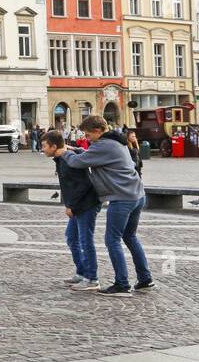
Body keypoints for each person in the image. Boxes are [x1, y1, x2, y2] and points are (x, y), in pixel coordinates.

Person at [55, 116, 154, 296]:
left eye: (88, 134)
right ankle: (145, 279)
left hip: (122, 198)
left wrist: (65, 153)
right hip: (137, 194)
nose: (86, 138)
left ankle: (122, 284)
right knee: (130, 236)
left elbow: (78, 161)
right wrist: (74, 148)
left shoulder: (103, 145)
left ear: (98, 131)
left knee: (112, 240)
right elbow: (90, 154)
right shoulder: (117, 141)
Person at [42, 130, 101, 291]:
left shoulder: (68, 161)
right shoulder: (64, 157)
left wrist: (71, 206)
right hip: (80, 204)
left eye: (45, 146)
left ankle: (91, 278)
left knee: (84, 240)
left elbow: (82, 186)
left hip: (86, 204)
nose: (43, 149)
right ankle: (82, 272)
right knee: (72, 238)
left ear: (54, 146)